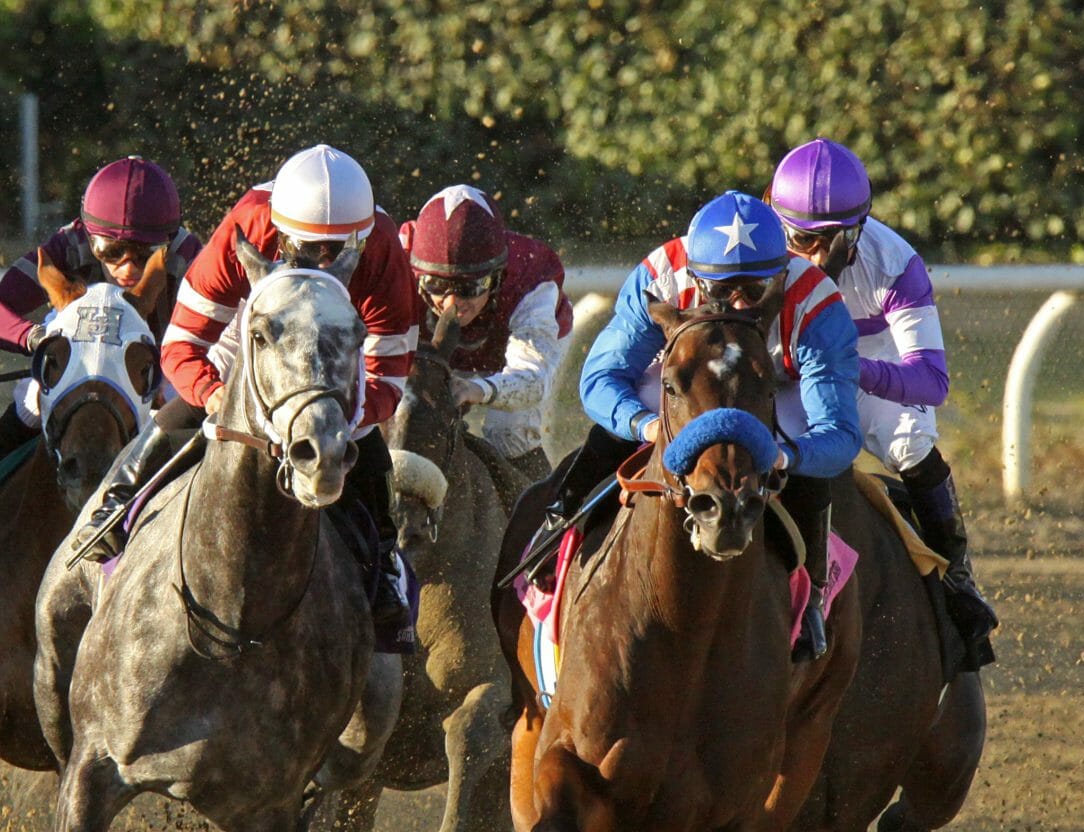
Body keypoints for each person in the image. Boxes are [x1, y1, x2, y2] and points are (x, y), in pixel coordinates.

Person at [75, 144, 421, 651]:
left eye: (336, 252)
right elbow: (182, 345)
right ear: (277, 232)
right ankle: (106, 517)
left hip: (333, 362)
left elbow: (388, 376)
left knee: (363, 449)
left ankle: (383, 569)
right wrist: (217, 399)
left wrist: (331, 418)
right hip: (252, 338)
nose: (320, 263)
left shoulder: (383, 251)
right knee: (171, 421)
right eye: (306, 248)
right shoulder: (249, 222)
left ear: (361, 241)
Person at [567, 191, 862, 661]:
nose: (740, 304)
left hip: (773, 383)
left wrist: (787, 456)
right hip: (693, 376)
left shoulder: (816, 304)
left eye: (756, 290)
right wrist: (646, 428)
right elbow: (601, 380)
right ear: (696, 277)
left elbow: (841, 432)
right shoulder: (662, 275)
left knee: (807, 453)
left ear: (782, 275)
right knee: (623, 421)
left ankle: (813, 587)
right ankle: (558, 533)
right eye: (724, 292)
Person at [770, 138, 995, 667]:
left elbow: (931, 380)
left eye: (837, 240)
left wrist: (849, 368)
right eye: (804, 239)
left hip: (865, 356)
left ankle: (958, 577)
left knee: (911, 444)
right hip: (784, 351)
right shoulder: (755, 243)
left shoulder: (894, 263)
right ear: (780, 225)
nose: (821, 259)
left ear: (861, 226)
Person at [0, 156, 203, 482]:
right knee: (31, 397)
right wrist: (37, 338)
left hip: (160, 375)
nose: (127, 269)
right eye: (111, 251)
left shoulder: (191, 256)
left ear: (168, 242)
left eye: (144, 254)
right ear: (89, 235)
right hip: (78, 369)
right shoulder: (69, 244)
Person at [397, 184, 573, 478]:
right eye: (437, 286)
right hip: (430, 349)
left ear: (498, 277)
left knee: (509, 432)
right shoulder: (396, 261)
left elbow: (531, 380)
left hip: (516, 353)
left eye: (469, 288)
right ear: (418, 275)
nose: (452, 305)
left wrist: (477, 389)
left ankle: (541, 521)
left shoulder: (531, 278)